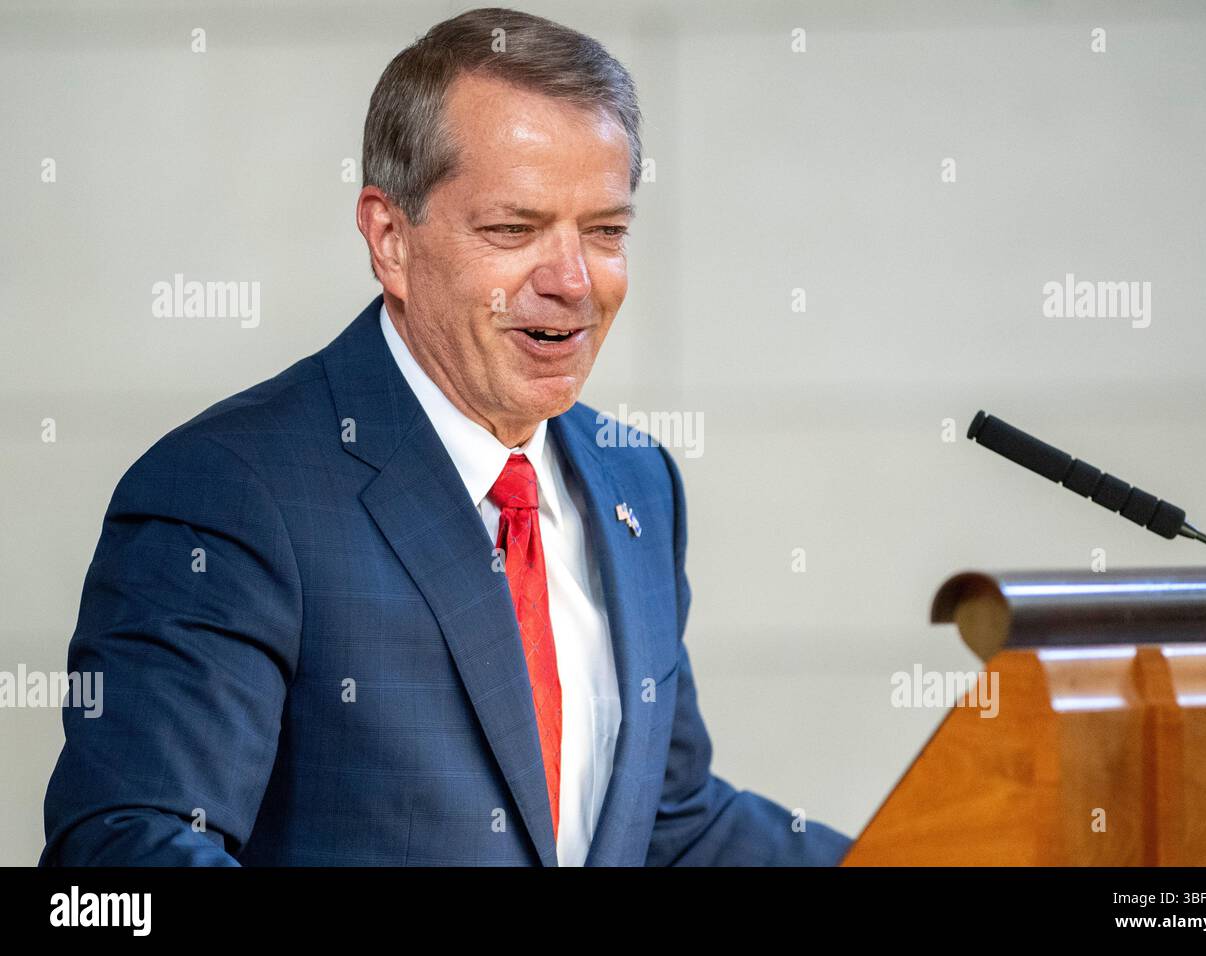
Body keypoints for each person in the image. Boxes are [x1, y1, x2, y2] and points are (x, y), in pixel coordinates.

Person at [40, 7, 852, 866]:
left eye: (606, 231)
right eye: (514, 229)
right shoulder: (228, 491)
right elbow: (126, 855)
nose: (573, 281)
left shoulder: (635, 479)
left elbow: (668, 824)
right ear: (391, 240)